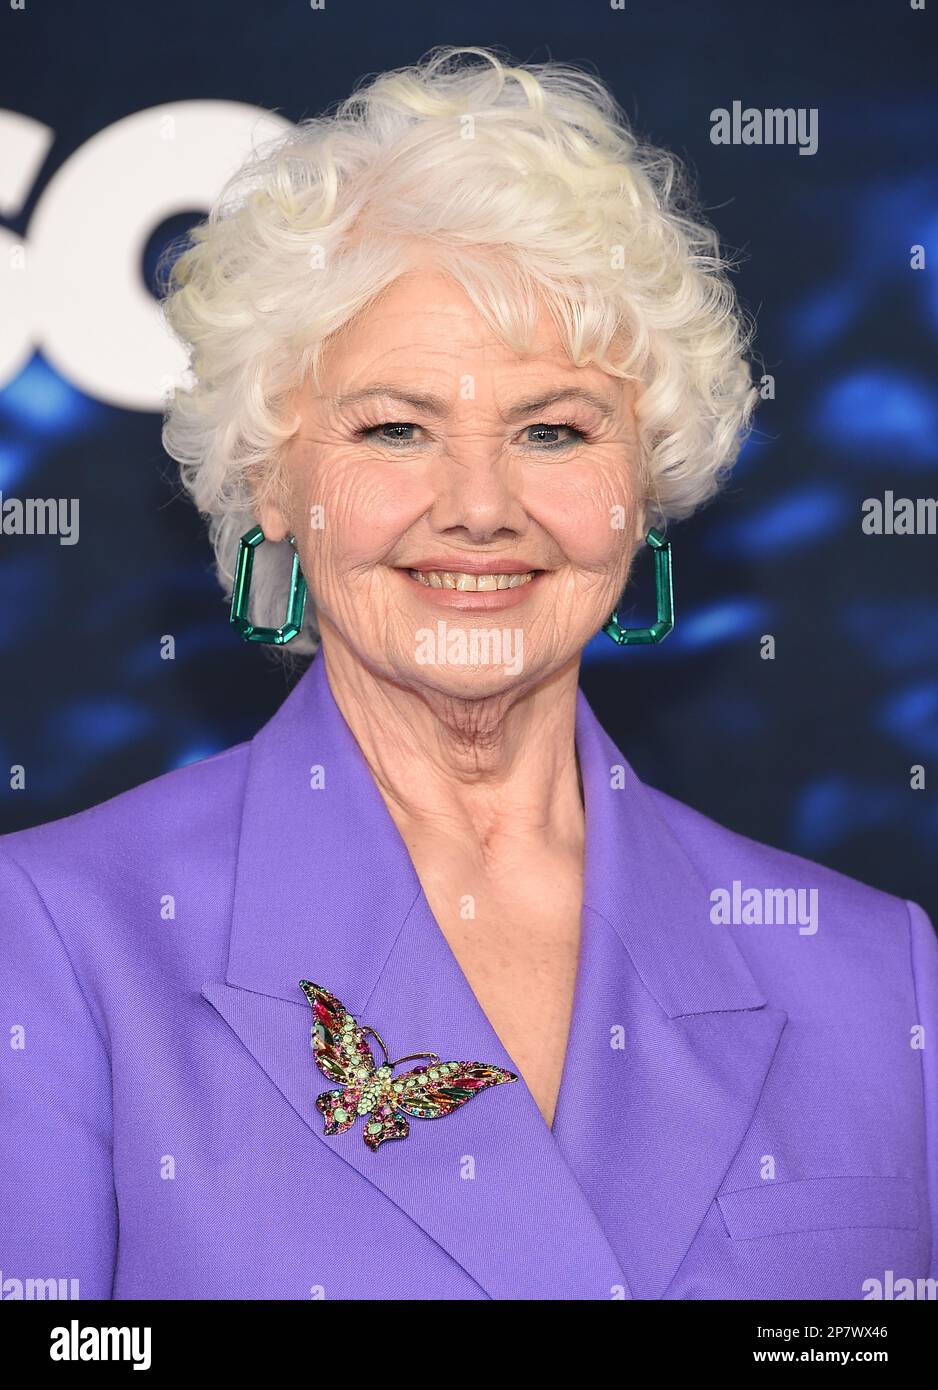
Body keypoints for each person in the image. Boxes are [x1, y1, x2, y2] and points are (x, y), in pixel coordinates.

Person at [1, 46, 934, 1301]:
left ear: (643, 489)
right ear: (269, 484)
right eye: (395, 428)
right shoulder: (56, 941)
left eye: (553, 429)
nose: (480, 506)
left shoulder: (875, 972)